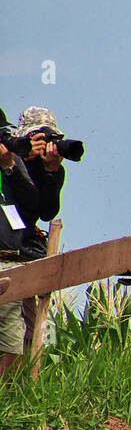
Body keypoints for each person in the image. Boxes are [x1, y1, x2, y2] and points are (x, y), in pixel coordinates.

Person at [10, 108, 67, 354]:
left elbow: (47, 212)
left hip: (24, 251)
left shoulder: (50, 170)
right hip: (7, 245)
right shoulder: (8, 160)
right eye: (38, 138)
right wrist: (18, 159)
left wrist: (52, 173)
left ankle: (19, 386)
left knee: (28, 330)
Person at [0, 109, 41, 378]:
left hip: (8, 257)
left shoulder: (12, 161)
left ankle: (8, 398)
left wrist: (9, 167)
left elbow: (32, 208)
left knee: (10, 330)